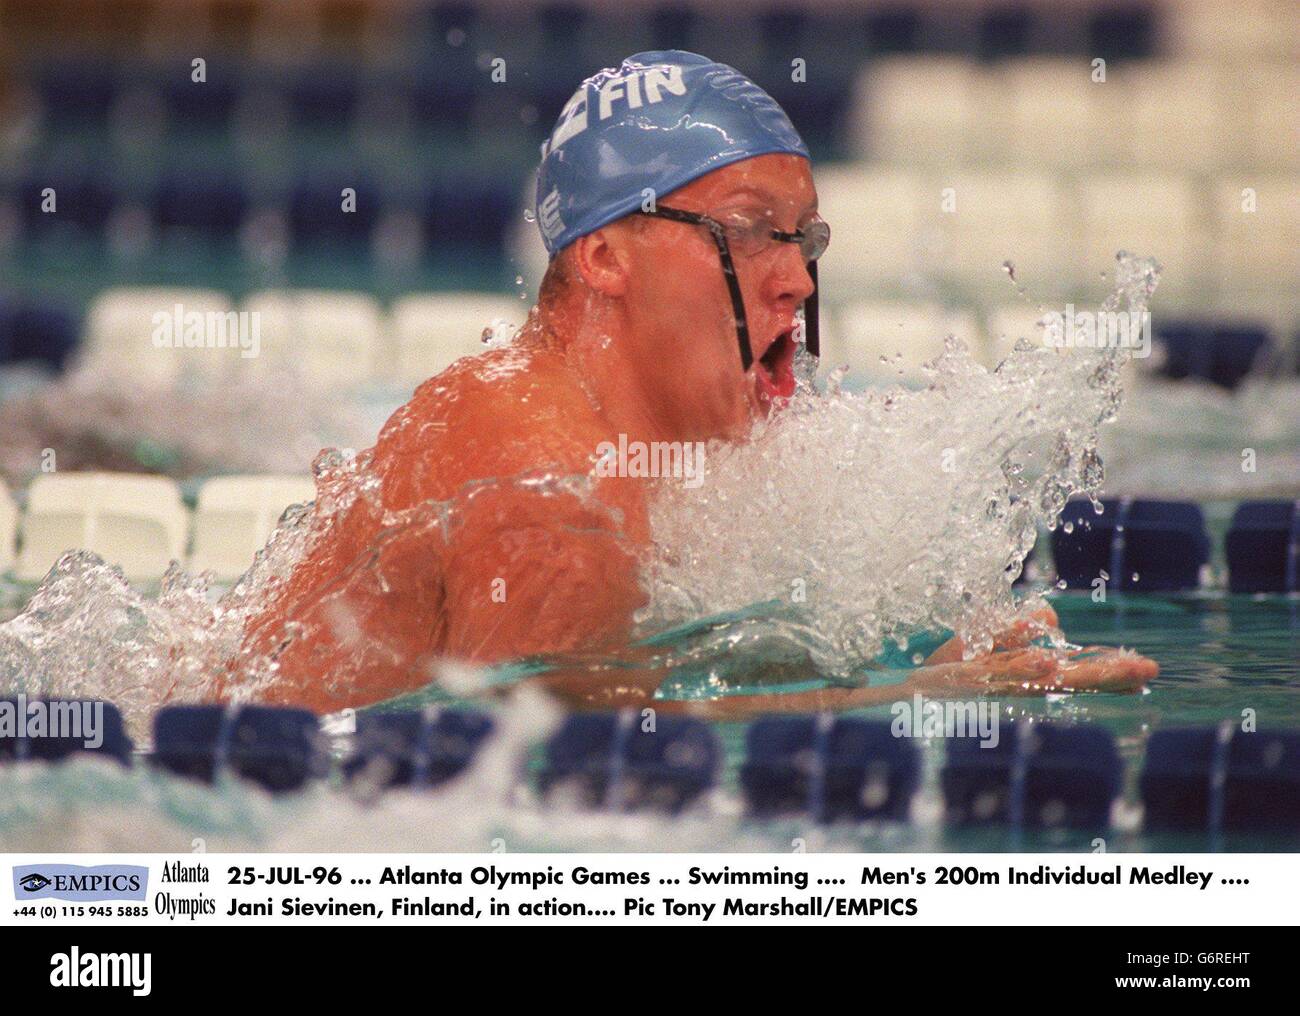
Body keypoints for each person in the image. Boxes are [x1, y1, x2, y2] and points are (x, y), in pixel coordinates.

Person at [232, 51, 1156, 715]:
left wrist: (898, 654)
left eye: (804, 238)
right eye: (753, 229)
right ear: (603, 256)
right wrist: (910, 695)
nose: (796, 277)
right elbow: (551, 749)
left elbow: (651, 667)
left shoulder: (639, 448)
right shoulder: (543, 475)